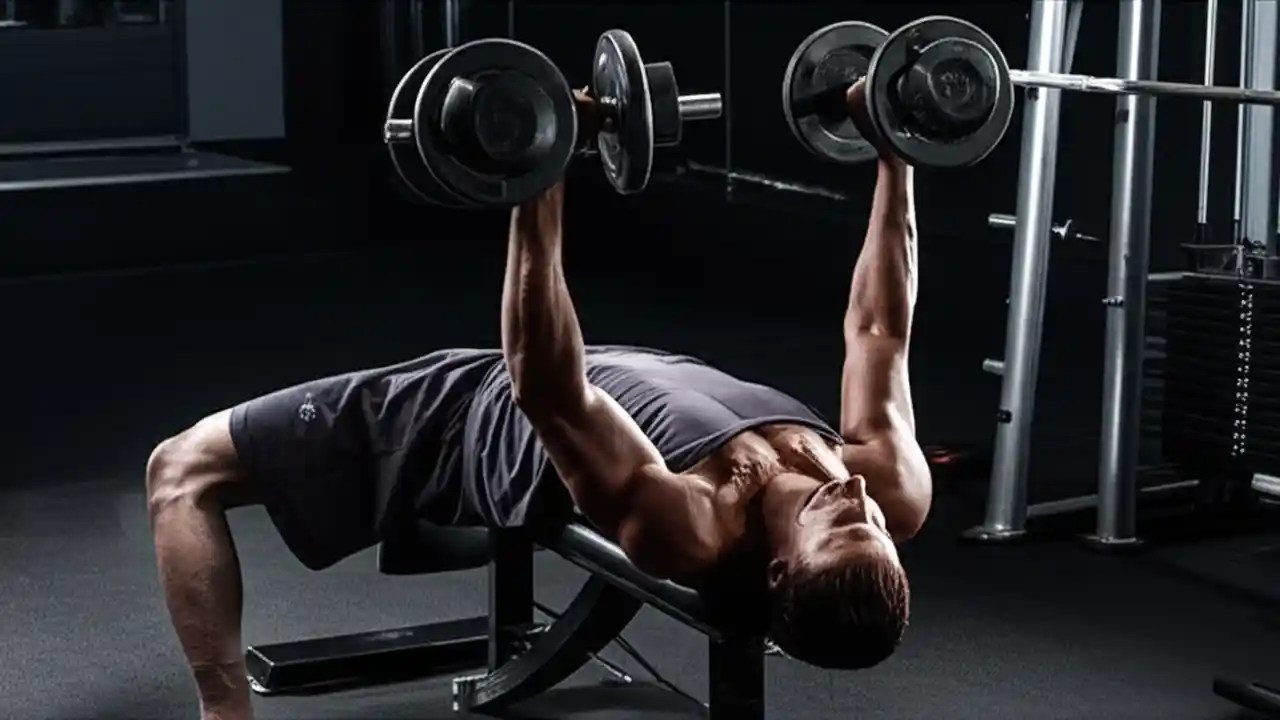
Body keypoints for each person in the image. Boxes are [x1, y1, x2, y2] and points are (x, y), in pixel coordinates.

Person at [145, 79, 931, 720]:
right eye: (877, 530)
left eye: (841, 526)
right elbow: (877, 331)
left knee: (181, 469)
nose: (857, 494)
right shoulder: (892, 483)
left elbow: (548, 389)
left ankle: (224, 713)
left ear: (776, 571)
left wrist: (541, 169)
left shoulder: (695, 521)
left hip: (478, 411)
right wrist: (896, 150)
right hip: (622, 361)